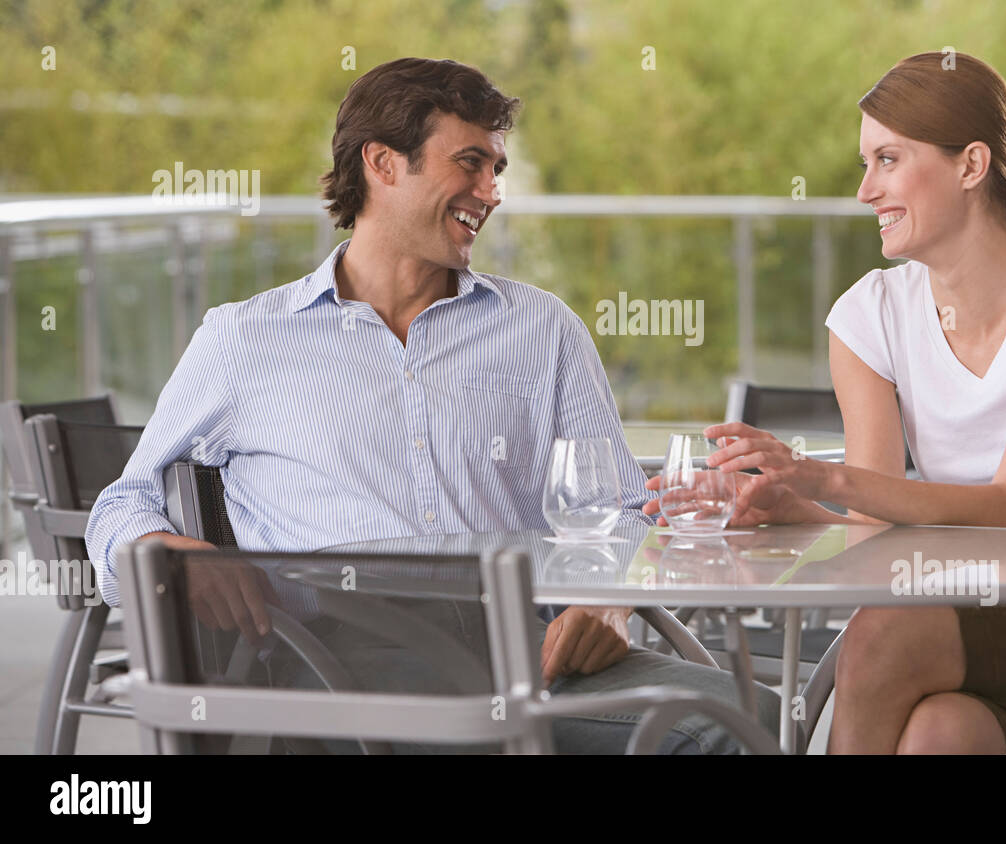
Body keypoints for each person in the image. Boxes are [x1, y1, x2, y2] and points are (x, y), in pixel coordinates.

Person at [86, 56, 779, 754]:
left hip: (529, 651)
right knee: (708, 732)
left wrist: (607, 600)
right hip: (342, 672)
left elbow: (625, 506)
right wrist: (165, 550)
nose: (491, 191)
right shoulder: (246, 339)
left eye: (497, 170)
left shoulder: (542, 330)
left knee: (750, 712)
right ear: (383, 164)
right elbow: (122, 502)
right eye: (471, 163)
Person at [643, 51, 1006, 754]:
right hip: (976, 624)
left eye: (887, 159)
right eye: (865, 163)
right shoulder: (868, 316)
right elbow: (871, 542)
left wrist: (822, 473)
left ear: (971, 166)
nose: (864, 191)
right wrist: (790, 507)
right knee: (941, 735)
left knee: (886, 628)